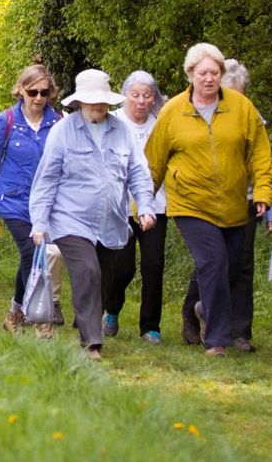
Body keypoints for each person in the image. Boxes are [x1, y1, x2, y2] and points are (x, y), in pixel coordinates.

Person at [145, 43, 272, 357]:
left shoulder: (241, 108)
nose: (209, 79)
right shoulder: (173, 111)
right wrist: (143, 202)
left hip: (233, 202)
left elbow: (260, 152)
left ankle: (205, 309)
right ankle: (217, 340)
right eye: (202, 73)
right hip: (190, 202)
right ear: (190, 74)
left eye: (214, 73)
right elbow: (154, 161)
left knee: (230, 266)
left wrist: (263, 192)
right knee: (213, 261)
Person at [30, 69, 156, 359]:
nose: (98, 105)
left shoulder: (121, 130)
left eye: (102, 100)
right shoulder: (63, 132)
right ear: (80, 102)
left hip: (111, 221)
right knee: (87, 270)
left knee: (105, 278)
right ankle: (92, 342)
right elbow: (46, 180)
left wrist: (146, 206)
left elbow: (137, 171)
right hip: (70, 219)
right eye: (91, 100)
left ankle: (86, 319)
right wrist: (39, 222)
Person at [179, 58, 272, 350]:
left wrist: (269, 203)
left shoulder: (254, 118)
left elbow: (264, 162)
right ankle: (195, 313)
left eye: (240, 92)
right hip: (206, 200)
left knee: (241, 264)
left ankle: (239, 331)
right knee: (211, 262)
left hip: (245, 201)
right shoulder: (196, 115)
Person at [0, 64, 65, 336]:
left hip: (47, 204)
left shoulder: (57, 123)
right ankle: (41, 318)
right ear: (21, 90)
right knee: (34, 252)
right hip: (14, 202)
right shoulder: (6, 120)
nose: (38, 98)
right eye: (32, 91)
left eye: (44, 92)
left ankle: (15, 312)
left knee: (38, 255)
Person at [103, 71, 168, 343]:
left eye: (147, 95)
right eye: (136, 95)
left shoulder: (161, 123)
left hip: (155, 205)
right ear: (125, 95)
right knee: (123, 267)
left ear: (154, 98)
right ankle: (112, 309)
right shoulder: (113, 122)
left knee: (153, 265)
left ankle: (150, 327)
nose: (141, 101)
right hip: (119, 207)